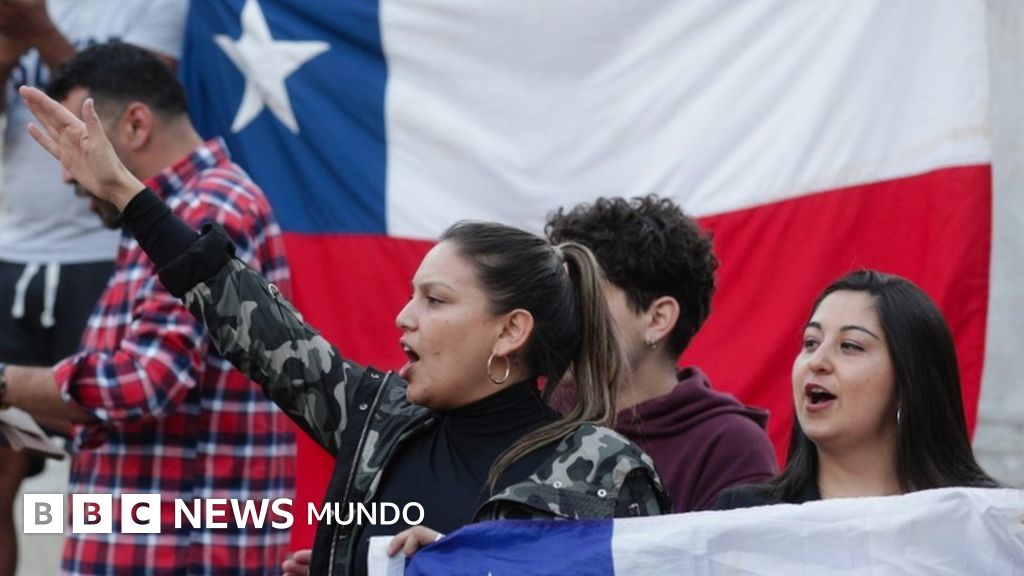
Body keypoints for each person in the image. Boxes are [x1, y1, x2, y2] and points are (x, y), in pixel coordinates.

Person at [18, 81, 672, 576]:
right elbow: (257, 320)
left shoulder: (602, 471)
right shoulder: (380, 420)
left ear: (511, 332)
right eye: (410, 297)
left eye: (436, 301)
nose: (404, 318)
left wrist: (465, 563)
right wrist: (128, 193)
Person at [1, 43, 295, 575]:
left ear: (135, 125)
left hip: (177, 555)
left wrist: (4, 384)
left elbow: (143, 383)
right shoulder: (166, 217)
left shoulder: (206, 210)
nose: (67, 174)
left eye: (74, 141)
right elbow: (138, 404)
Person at [0, 2, 187, 574]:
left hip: (109, 251)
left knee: (116, 470)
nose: (64, 168)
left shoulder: (159, 4)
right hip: (12, 250)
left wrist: (40, 32)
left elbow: (139, 103)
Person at [545, 195, 777, 512]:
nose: (559, 316)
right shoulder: (533, 419)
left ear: (658, 319)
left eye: (582, 296)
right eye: (558, 297)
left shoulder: (728, 448)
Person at [714, 270, 998, 509]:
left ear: (906, 383)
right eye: (811, 342)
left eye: (849, 346)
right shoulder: (743, 514)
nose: (817, 361)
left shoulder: (988, 521)